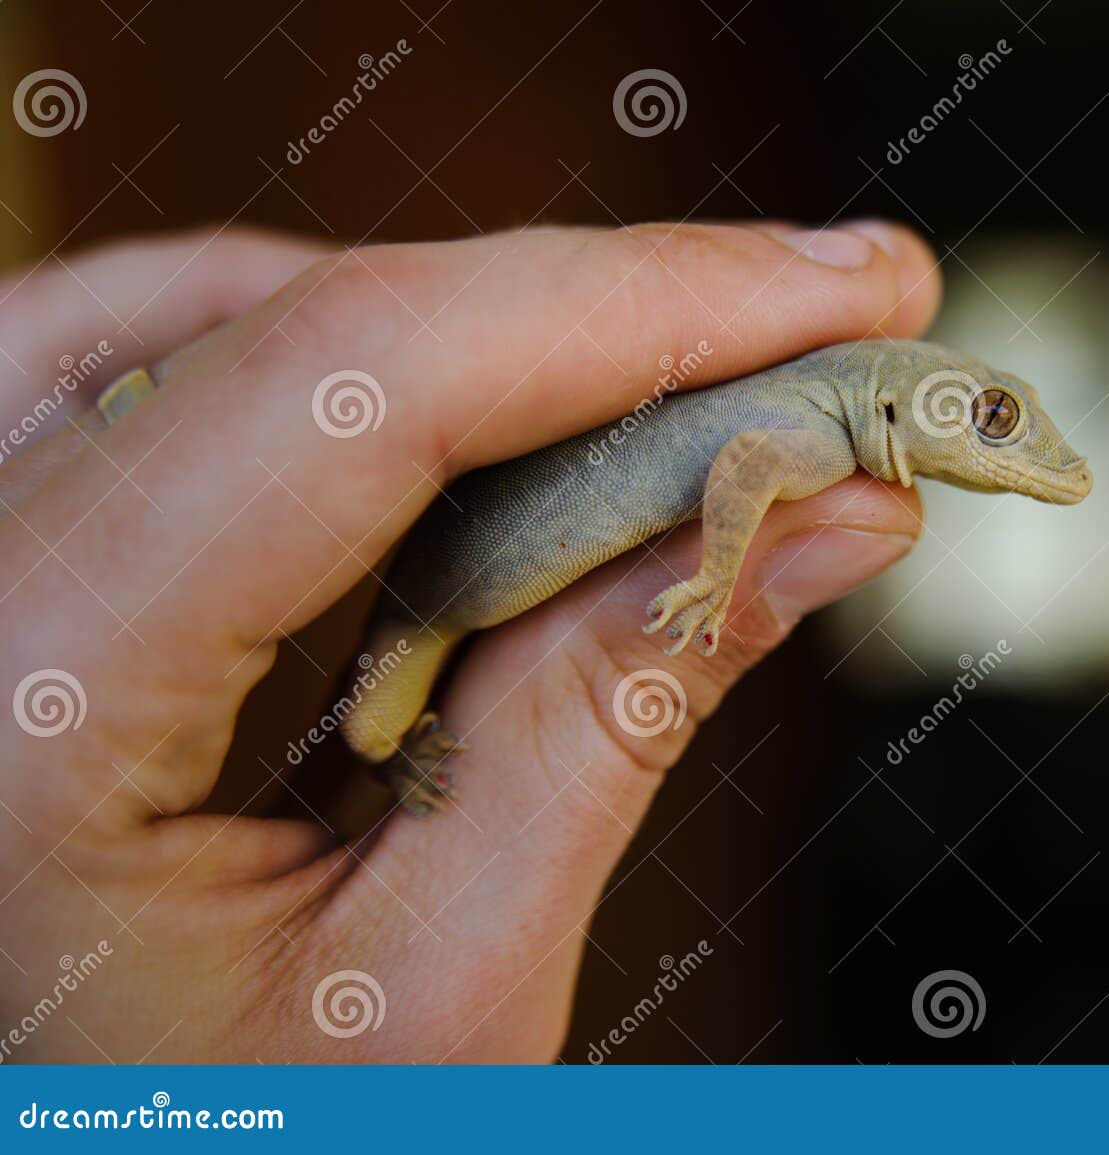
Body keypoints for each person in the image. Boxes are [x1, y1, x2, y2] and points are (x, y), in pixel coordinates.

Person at [0, 219, 939, 1061]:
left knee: (371, 731)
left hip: (445, 584)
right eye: (992, 418)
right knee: (374, 733)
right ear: (901, 395)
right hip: (427, 606)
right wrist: (716, 583)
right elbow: (743, 464)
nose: (1022, 448)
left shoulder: (829, 416)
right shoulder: (819, 433)